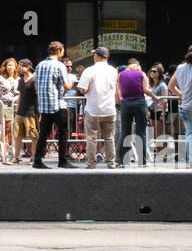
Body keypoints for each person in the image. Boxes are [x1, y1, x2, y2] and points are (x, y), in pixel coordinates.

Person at [32, 41, 73, 169]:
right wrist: (71, 81)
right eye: (62, 51)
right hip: (57, 104)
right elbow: (66, 85)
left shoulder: (39, 65)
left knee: (43, 134)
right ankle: (62, 160)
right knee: (63, 132)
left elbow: (36, 86)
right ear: (59, 51)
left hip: (44, 105)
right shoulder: (60, 66)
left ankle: (37, 160)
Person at [78, 47, 119, 168]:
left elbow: (83, 89)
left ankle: (91, 163)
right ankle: (111, 162)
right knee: (109, 138)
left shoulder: (89, 70)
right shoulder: (113, 71)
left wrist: (81, 89)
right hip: (110, 109)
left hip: (93, 109)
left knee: (91, 138)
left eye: (94, 55)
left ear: (97, 56)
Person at [116, 58, 153, 166]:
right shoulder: (142, 74)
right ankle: (142, 161)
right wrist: (154, 97)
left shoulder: (121, 75)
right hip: (139, 102)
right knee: (140, 132)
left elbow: (119, 91)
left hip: (126, 104)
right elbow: (145, 89)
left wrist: (121, 101)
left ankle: (123, 161)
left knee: (125, 132)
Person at [0, 59, 20, 162]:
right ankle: (3, 153)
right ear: (5, 67)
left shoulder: (19, 79)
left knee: (16, 129)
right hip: (5, 104)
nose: (10, 67)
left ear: (16, 67)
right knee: (6, 129)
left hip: (17, 105)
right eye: (8, 65)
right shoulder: (0, 78)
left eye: (12, 65)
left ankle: (15, 153)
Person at [14, 58, 39, 165]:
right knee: (17, 135)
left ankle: (34, 157)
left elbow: (38, 94)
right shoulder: (20, 80)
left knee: (33, 135)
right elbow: (19, 96)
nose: (19, 68)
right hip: (21, 111)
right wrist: (17, 110)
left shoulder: (35, 79)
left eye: (21, 66)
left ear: (28, 67)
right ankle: (16, 157)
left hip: (32, 112)